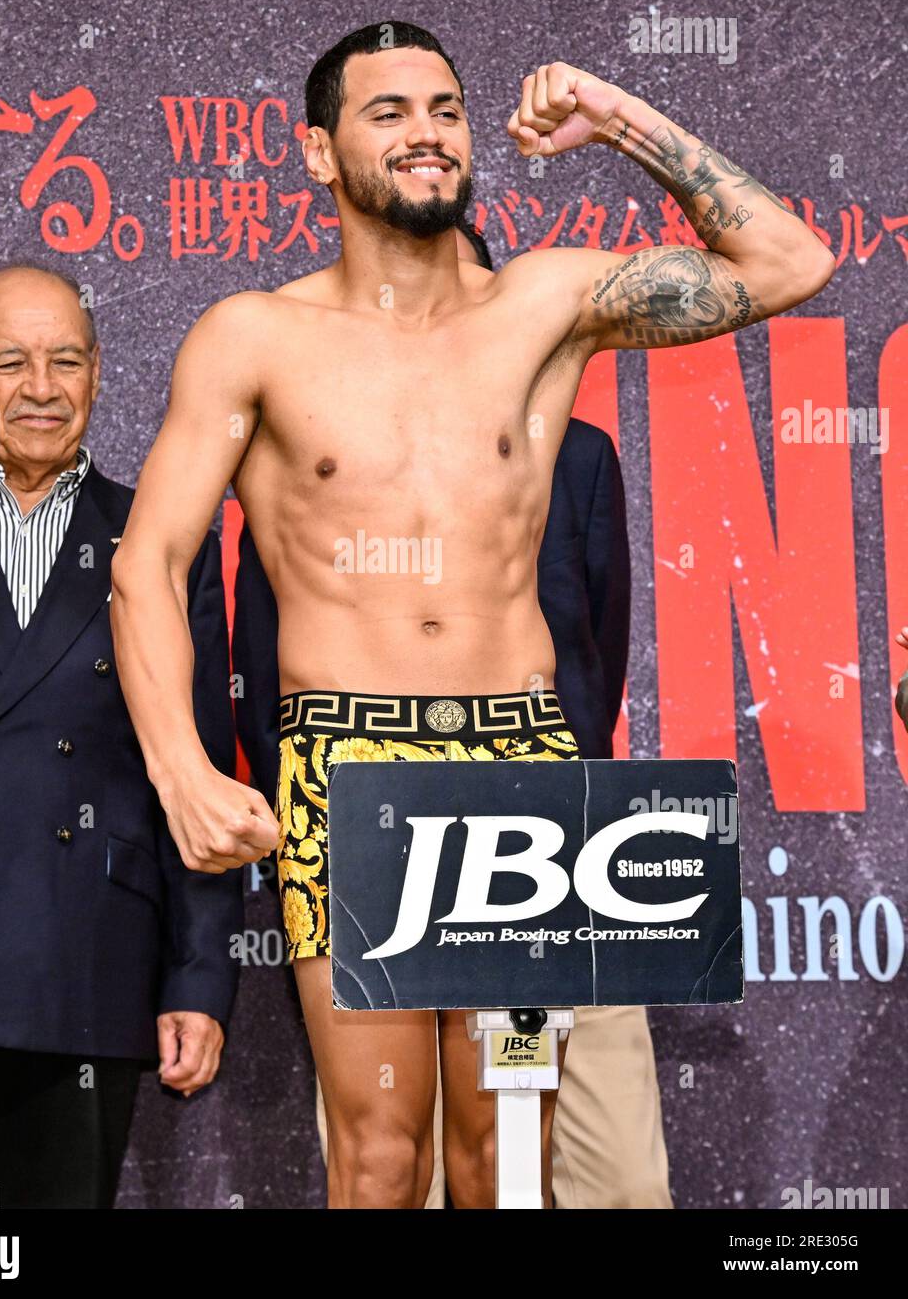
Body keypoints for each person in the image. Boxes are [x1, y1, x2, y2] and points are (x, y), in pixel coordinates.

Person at [110, 21, 835, 1208]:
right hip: (353, 765)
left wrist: (615, 118)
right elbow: (149, 567)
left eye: (444, 108)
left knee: (502, 1159)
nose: (425, 132)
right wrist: (184, 773)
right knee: (379, 1159)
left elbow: (788, 262)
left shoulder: (543, 302)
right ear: (314, 152)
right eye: (386, 112)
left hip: (521, 771)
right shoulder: (254, 335)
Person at [232, 217, 671, 1208]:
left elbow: (592, 651)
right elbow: (269, 666)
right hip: (363, 830)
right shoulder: (312, 449)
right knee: (388, 1162)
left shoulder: (576, 452)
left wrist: (565, 828)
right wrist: (314, 822)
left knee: (534, 1161)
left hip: (536, 841)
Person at [0, 263, 242, 1209]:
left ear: (99, 372)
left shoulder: (159, 540)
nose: (42, 387)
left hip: (81, 957)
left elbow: (193, 771)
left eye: (66, 360)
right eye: (11, 362)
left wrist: (199, 978)